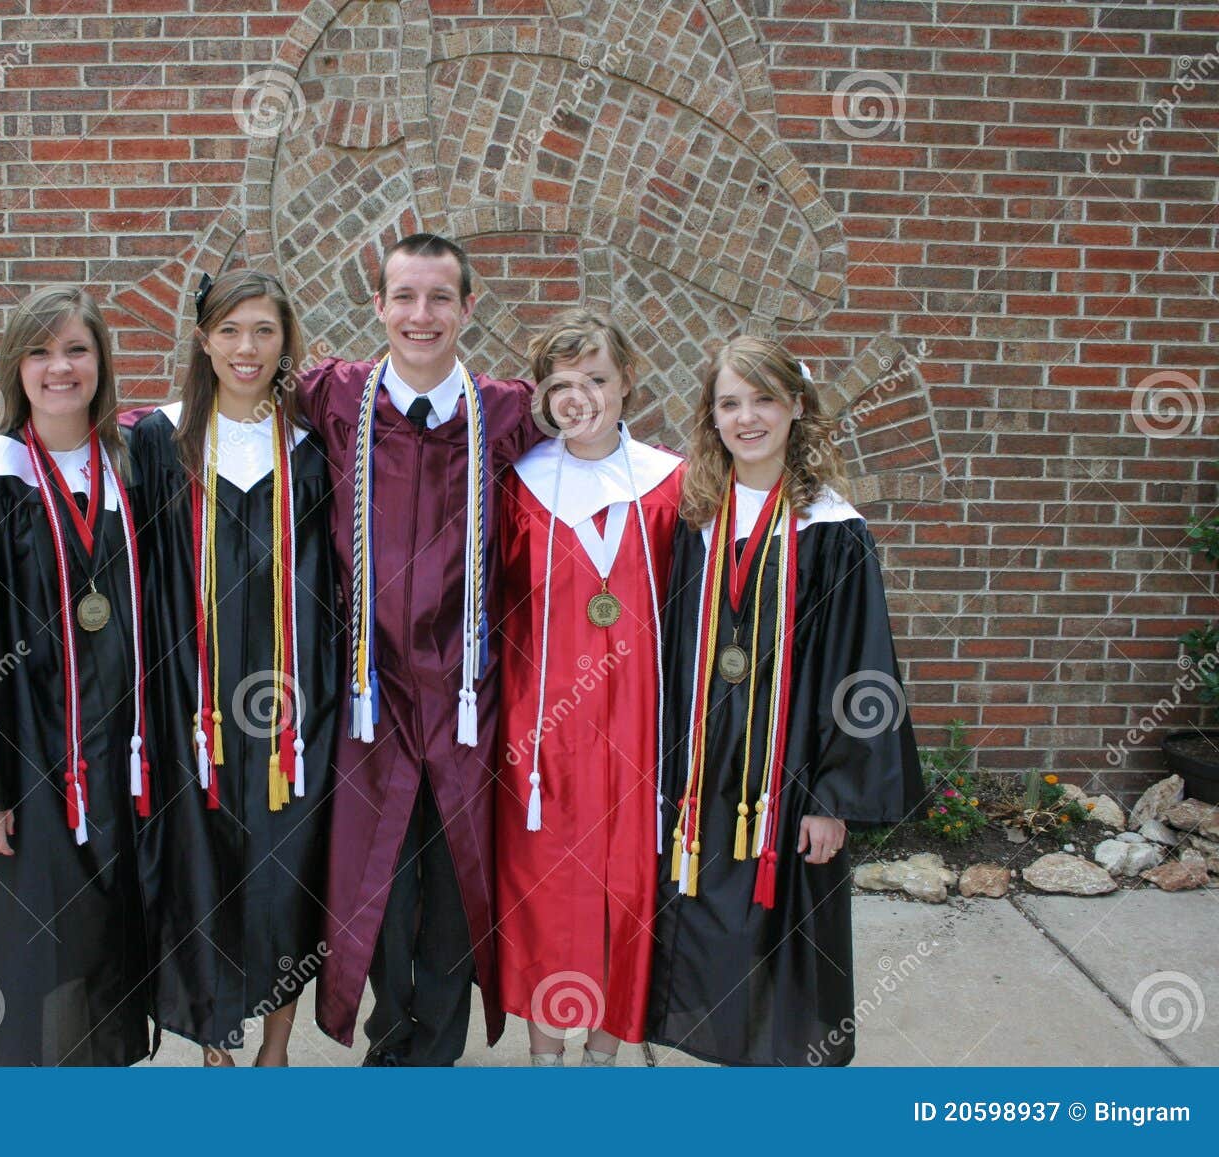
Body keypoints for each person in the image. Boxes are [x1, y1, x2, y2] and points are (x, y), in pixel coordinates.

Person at [299, 233, 544, 1066]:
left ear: (468, 307)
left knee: (451, 890)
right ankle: (389, 1041)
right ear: (378, 305)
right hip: (369, 692)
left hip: (467, 694)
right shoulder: (335, 396)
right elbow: (231, 390)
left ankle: (432, 1056)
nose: (421, 314)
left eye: (440, 297)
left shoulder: (506, 412)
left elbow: (598, 425)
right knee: (376, 884)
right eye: (404, 296)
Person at [647, 335, 924, 1067]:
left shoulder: (831, 529)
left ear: (797, 407)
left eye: (764, 399)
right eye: (729, 403)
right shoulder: (694, 521)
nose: (747, 418)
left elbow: (863, 669)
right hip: (701, 773)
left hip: (791, 777)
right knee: (705, 934)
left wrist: (835, 796)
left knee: (786, 944)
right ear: (711, 417)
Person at [0, 285, 152, 1066]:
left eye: (77, 349)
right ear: (15, 367)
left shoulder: (133, 471)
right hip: (20, 758)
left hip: (120, 753)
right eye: (41, 351)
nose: (60, 367)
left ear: (101, 362)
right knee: (31, 941)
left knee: (105, 932)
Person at [123, 269, 338, 1067]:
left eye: (264, 331)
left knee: (287, 875)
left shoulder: (313, 445)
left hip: (292, 706)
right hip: (192, 700)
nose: (247, 348)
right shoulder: (159, 439)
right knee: (201, 872)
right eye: (230, 330)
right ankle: (217, 1049)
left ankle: (274, 1050)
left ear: (286, 342)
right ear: (203, 339)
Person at [493, 311, 682, 1066]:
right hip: (543, 726)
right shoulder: (519, 483)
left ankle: (605, 1053)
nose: (581, 397)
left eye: (597, 378)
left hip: (639, 720)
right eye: (562, 384)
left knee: (630, 885)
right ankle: (546, 1056)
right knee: (542, 882)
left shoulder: (672, 484)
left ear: (628, 380)